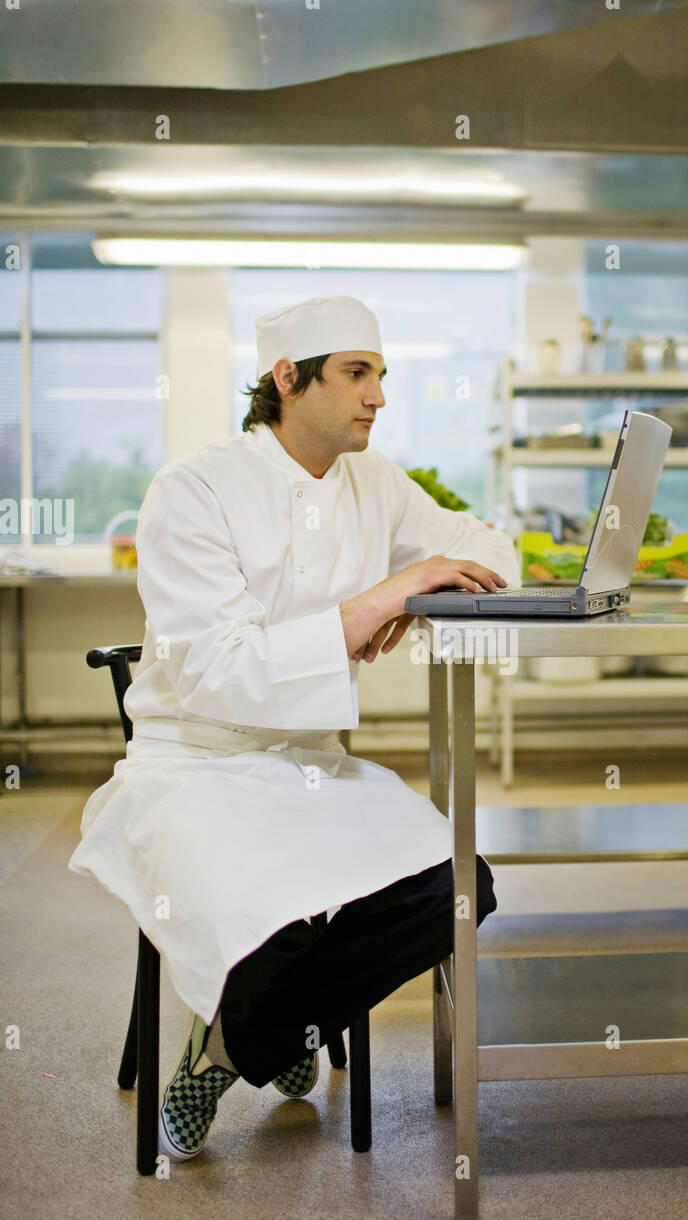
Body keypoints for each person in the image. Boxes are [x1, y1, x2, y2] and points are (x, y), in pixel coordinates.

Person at [68, 294, 521, 1161]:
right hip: (194, 764)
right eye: (357, 374)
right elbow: (220, 671)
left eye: (381, 375)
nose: (377, 396)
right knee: (271, 916)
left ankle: (235, 1046)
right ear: (288, 379)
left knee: (461, 888)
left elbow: (492, 549)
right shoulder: (193, 490)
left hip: (315, 765)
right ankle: (276, 1027)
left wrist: (423, 591)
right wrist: (379, 600)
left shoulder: (375, 482)